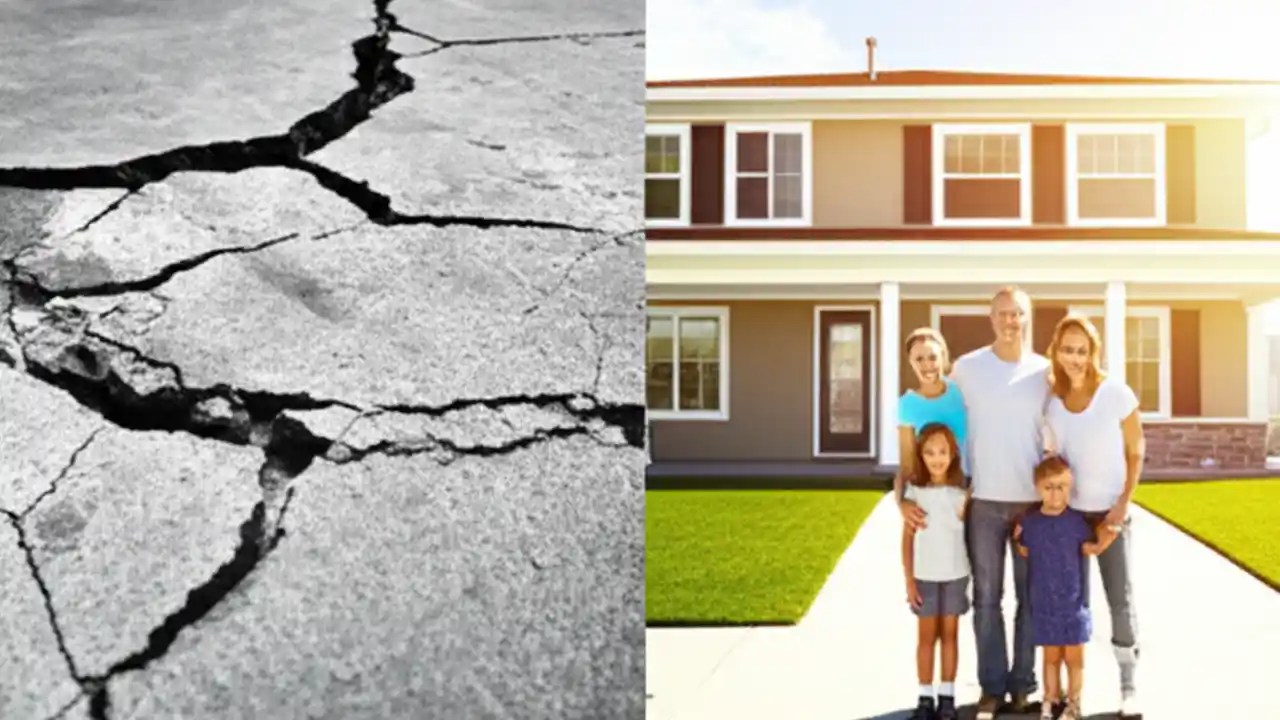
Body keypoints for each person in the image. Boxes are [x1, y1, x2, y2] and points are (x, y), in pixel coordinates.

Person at [948, 286, 1050, 720]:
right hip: (984, 501)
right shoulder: (968, 369)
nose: (1011, 321)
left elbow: (1060, 429)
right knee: (988, 598)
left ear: (1027, 318)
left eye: (1018, 314)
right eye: (1003, 314)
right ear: (990, 318)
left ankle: (1023, 686)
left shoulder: (1044, 371)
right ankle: (991, 687)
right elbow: (947, 425)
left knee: (1030, 598)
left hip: (1031, 505)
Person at [1042, 315, 1145, 718]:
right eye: (1067, 349)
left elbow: (1136, 453)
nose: (1074, 358)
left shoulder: (1116, 394)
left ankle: (1128, 684)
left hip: (1111, 512)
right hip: (1070, 518)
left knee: (1119, 599)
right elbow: (1055, 462)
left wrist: (1119, 511)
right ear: (1056, 352)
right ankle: (1072, 695)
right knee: (1072, 604)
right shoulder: (1054, 406)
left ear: (1093, 352)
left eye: (1082, 350)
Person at [1014, 455, 1118, 720]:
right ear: (1038, 488)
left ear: (1070, 487)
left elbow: (1092, 543)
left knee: (1073, 658)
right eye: (1048, 487)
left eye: (1061, 486)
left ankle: (1074, 703)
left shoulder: (1078, 523)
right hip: (1044, 601)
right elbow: (1021, 546)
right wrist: (1017, 540)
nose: (1055, 493)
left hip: (1073, 602)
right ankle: (1050, 698)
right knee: (1050, 657)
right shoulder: (1030, 523)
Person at [901, 423, 971, 720]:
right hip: (925, 576)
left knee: (951, 636)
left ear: (953, 453)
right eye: (929, 452)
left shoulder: (962, 492)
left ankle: (947, 697)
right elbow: (907, 539)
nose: (936, 458)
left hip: (955, 575)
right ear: (921, 455)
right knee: (926, 638)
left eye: (942, 452)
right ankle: (925, 697)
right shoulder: (914, 493)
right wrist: (909, 581)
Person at [895, 327, 968, 526]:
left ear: (943, 357)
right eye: (919, 359)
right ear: (910, 362)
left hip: (968, 490)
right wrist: (902, 502)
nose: (927, 365)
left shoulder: (961, 390)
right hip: (929, 491)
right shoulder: (906, 404)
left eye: (933, 357)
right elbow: (907, 462)